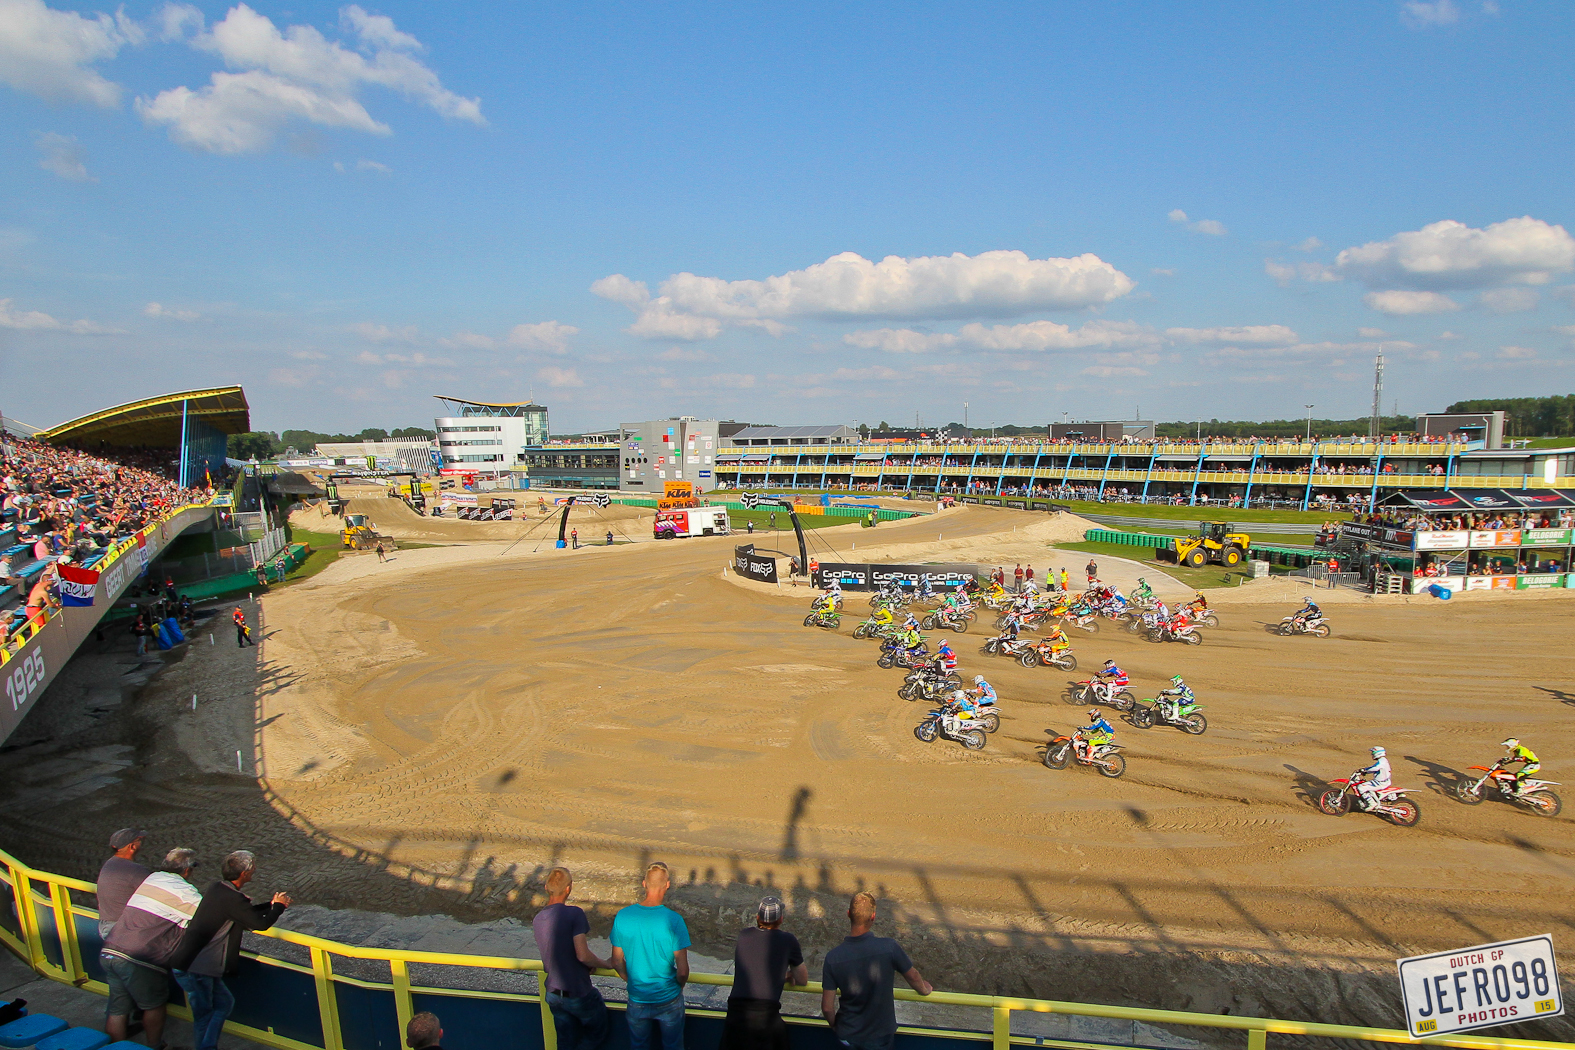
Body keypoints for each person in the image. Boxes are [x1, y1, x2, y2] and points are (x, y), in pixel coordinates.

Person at [169, 850, 292, 1050]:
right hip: (198, 968)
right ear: (244, 873)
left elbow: (244, 913)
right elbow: (259, 924)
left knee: (223, 1004)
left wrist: (272, 905)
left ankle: (208, 1046)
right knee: (205, 1014)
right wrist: (277, 908)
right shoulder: (233, 898)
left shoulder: (217, 888)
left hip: (194, 965)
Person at [102, 848, 203, 1049]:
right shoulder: (185, 892)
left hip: (110, 950)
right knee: (154, 1006)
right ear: (188, 870)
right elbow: (209, 917)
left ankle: (116, 1046)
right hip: (139, 959)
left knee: (118, 1009)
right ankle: (155, 1046)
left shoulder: (151, 879)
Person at [820, 892, 931, 1050]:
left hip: (848, 1034)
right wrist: (925, 989)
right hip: (880, 1036)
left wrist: (835, 1026)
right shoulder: (889, 947)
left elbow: (827, 1007)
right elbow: (913, 976)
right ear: (873, 916)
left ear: (848, 914)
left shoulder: (833, 957)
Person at [610, 862, 690, 1050]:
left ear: (644, 883)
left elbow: (616, 960)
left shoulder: (623, 916)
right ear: (667, 885)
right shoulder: (674, 920)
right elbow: (683, 971)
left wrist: (630, 980)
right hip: (669, 998)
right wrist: (677, 987)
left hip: (638, 998)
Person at [534, 867, 611, 1050]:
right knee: (596, 1034)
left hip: (553, 993)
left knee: (565, 1042)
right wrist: (605, 964)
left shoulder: (538, 919)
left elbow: (554, 955)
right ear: (569, 888)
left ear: (546, 887)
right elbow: (583, 955)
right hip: (577, 993)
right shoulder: (575, 914)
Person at [721, 896, 806, 1050]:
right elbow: (802, 979)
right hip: (765, 1015)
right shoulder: (788, 940)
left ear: (757, 917)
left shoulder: (744, 936)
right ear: (780, 919)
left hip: (736, 1013)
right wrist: (785, 975)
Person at [97, 828, 151, 940]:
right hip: (125, 929)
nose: (141, 843)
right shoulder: (135, 870)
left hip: (105, 927)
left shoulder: (109, 864)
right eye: (139, 840)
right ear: (132, 846)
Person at [1353, 746, 1392, 811]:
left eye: (1373, 752)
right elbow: (1373, 767)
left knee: (1360, 787)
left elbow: (1376, 768)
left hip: (1380, 783)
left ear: (1377, 753)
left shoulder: (1382, 761)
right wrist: (1364, 770)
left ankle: (1372, 803)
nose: (1372, 754)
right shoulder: (1382, 760)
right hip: (1383, 782)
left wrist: (1365, 771)